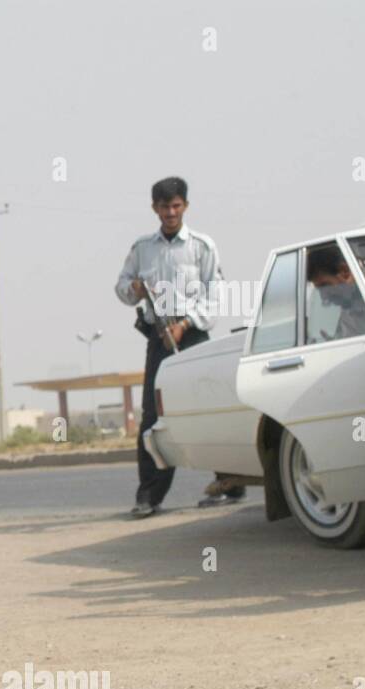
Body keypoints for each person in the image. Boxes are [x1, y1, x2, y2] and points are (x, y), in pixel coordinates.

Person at [115, 176, 235, 517]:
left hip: (193, 335)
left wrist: (185, 325)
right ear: (154, 208)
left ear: (185, 206)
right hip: (158, 338)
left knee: (209, 408)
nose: (170, 212)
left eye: (176, 206)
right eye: (164, 206)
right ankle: (149, 496)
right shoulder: (142, 248)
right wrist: (135, 289)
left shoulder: (201, 246)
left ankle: (229, 484)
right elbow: (121, 286)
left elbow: (216, 294)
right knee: (153, 417)